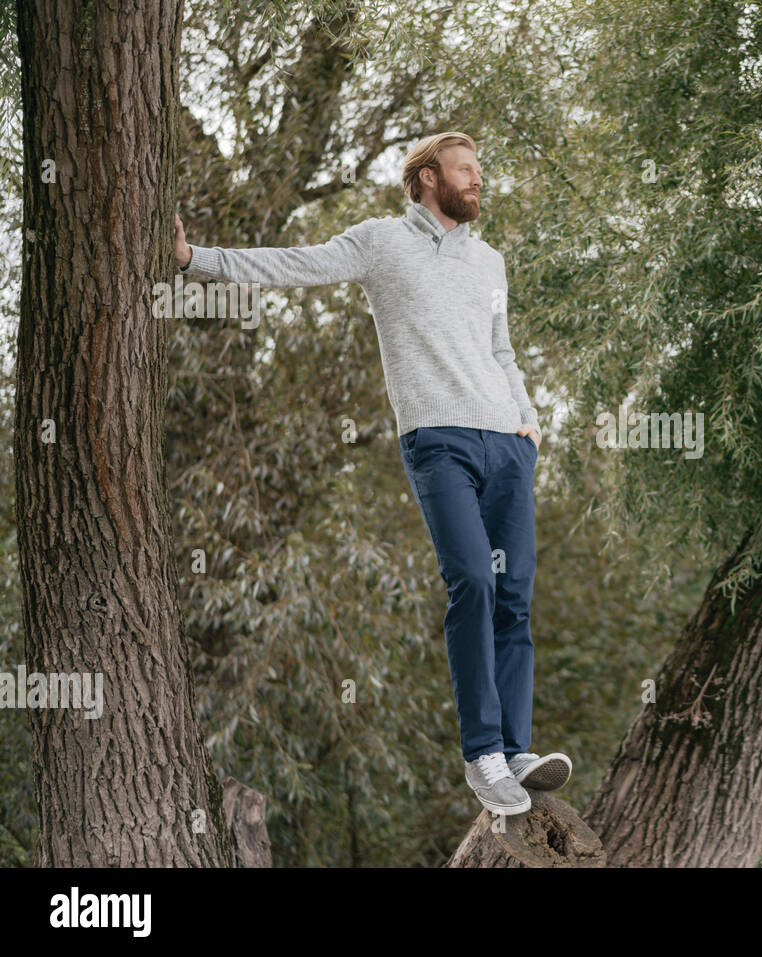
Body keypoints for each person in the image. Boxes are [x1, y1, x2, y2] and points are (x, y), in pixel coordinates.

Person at [174, 131, 571, 817]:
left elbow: (502, 351)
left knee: (513, 595)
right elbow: (293, 265)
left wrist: (530, 422)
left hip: (508, 443)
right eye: (465, 170)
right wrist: (192, 259)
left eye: (480, 171)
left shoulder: (491, 263)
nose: (478, 181)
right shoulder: (381, 241)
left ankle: (516, 750)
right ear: (425, 177)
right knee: (473, 578)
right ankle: (482, 752)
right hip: (437, 441)